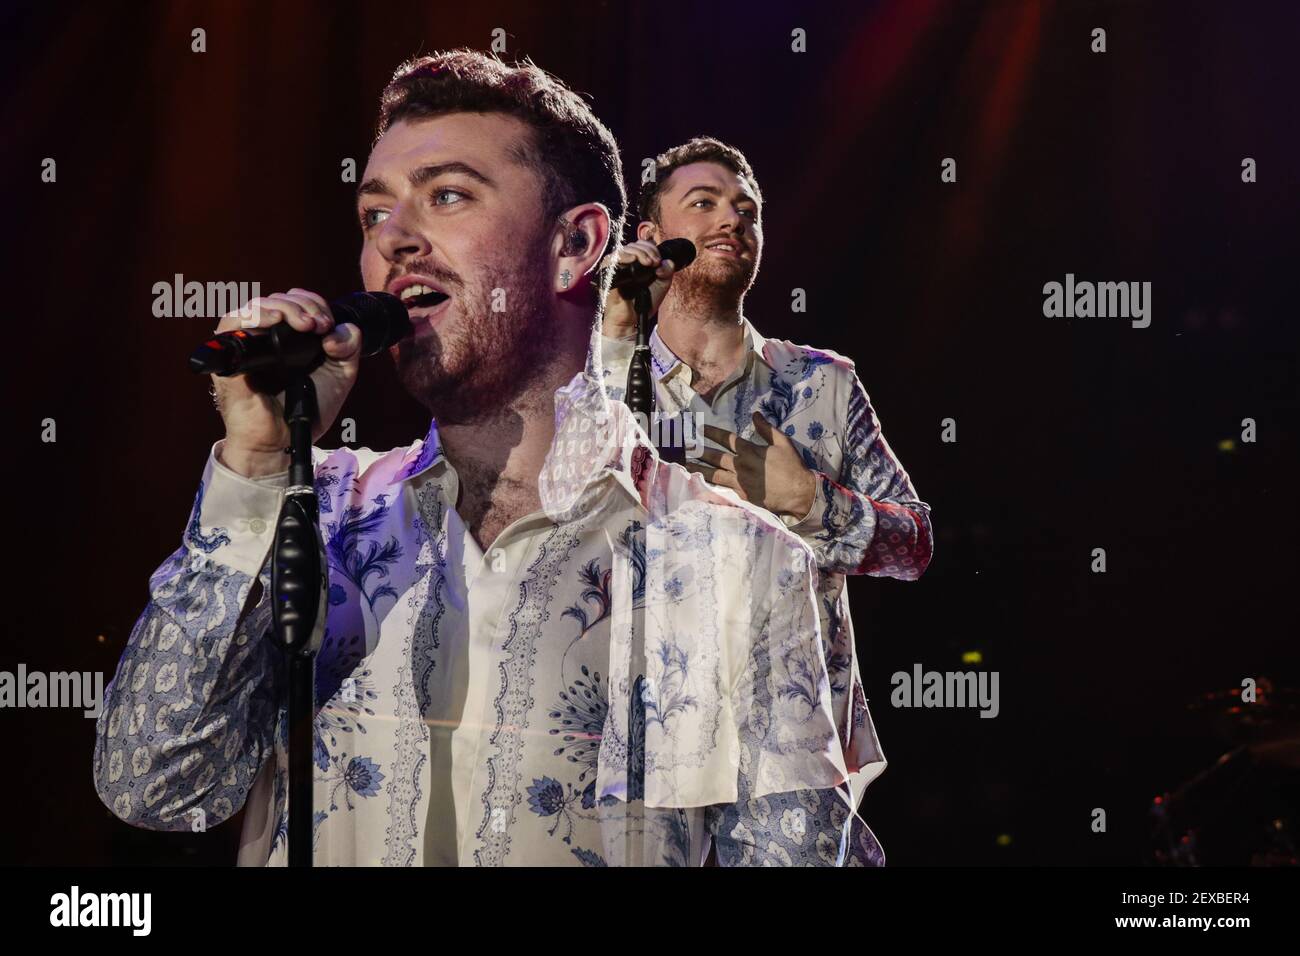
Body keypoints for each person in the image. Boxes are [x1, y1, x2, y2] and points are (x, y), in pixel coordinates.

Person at [93, 52, 867, 866]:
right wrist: (254, 466)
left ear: (576, 245)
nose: (394, 239)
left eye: (448, 196)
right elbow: (155, 786)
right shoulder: (308, 511)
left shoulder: (734, 560)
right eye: (373, 214)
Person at [602, 137, 935, 861]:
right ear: (652, 239)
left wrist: (811, 499)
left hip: (782, 745)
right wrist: (613, 341)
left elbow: (915, 543)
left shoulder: (823, 383)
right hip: (630, 739)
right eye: (705, 203)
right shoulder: (604, 374)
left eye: (746, 210)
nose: (732, 220)